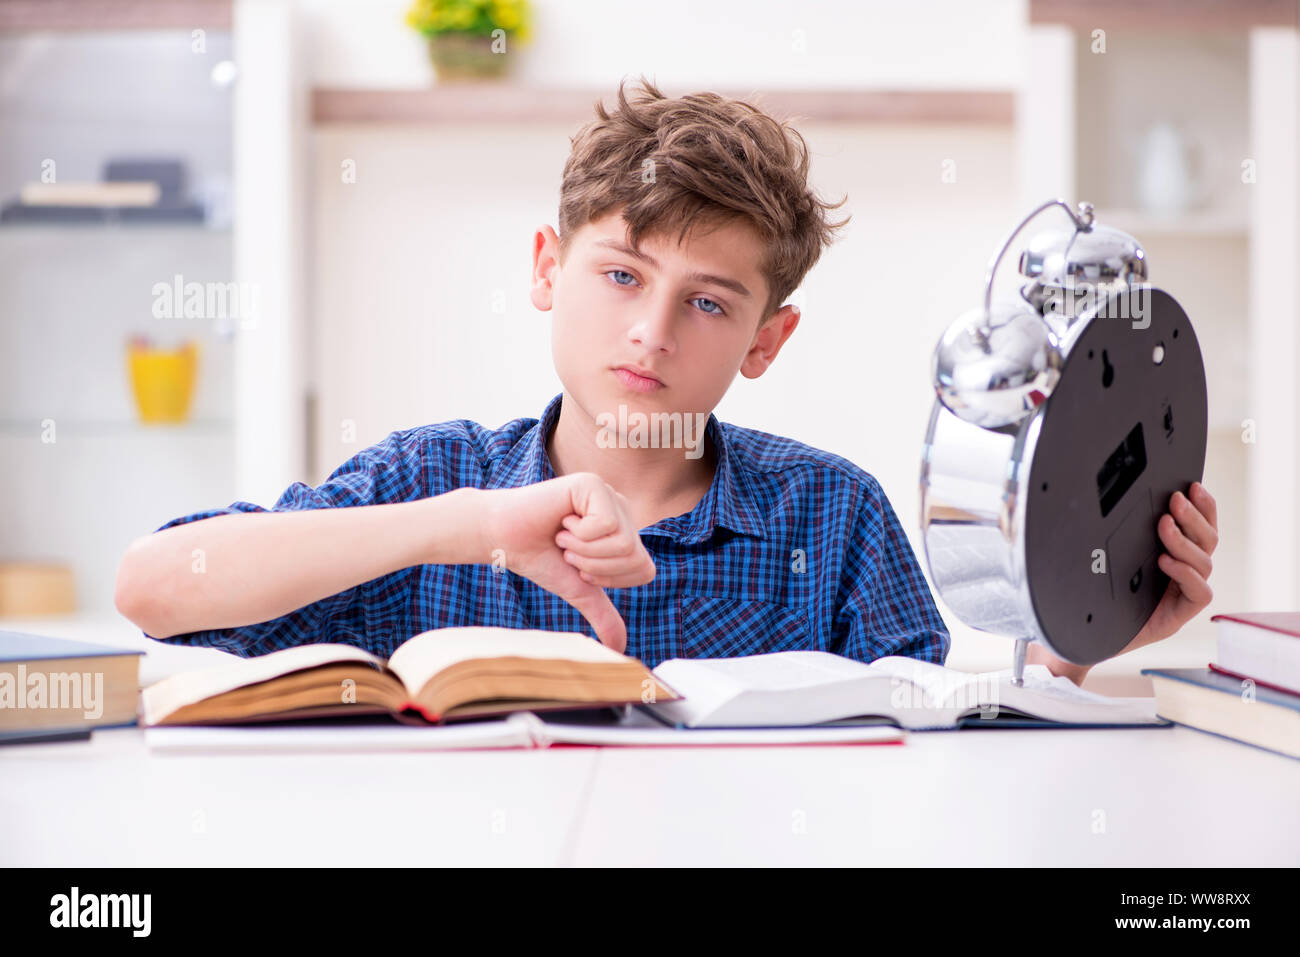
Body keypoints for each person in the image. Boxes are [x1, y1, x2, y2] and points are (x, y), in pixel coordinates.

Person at [114, 75, 1217, 682]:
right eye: (619, 274)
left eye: (705, 301)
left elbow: (939, 758)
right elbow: (154, 588)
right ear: (549, 271)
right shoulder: (434, 480)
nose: (648, 332)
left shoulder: (832, 517)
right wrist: (467, 525)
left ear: (764, 341)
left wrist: (1083, 654)